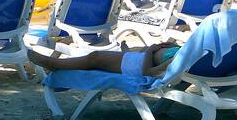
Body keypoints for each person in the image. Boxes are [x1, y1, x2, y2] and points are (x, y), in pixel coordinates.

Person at [29, 40, 180, 77]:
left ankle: (53, 63)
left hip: (138, 64)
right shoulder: (191, 53)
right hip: (141, 57)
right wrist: (173, 45)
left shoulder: (177, 60)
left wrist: (151, 50)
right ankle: (128, 52)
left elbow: (148, 72)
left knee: (95, 58)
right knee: (97, 58)